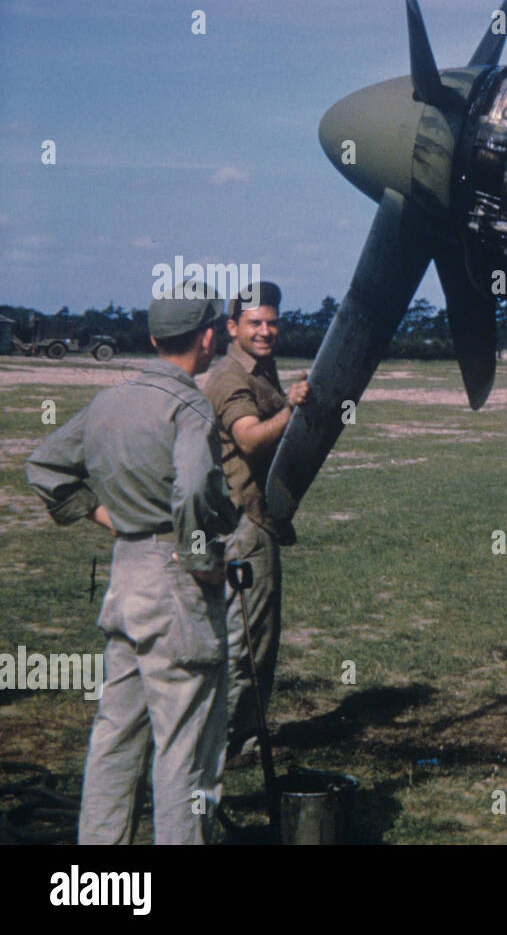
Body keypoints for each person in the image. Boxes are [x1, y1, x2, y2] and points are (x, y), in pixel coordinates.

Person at [26, 286, 238, 844]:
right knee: (184, 746)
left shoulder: (111, 400)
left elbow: (44, 463)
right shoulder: (190, 405)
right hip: (176, 581)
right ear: (209, 337)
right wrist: (204, 561)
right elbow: (193, 486)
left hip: (127, 579)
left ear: (152, 338)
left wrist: (106, 516)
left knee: (115, 735)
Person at [202, 281, 309, 762]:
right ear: (232, 327)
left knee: (256, 637)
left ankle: (243, 732)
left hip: (257, 518)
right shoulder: (230, 376)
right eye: (254, 323)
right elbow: (249, 439)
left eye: (271, 322)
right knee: (248, 639)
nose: (266, 331)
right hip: (245, 522)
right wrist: (292, 407)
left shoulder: (258, 369)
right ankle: (231, 742)